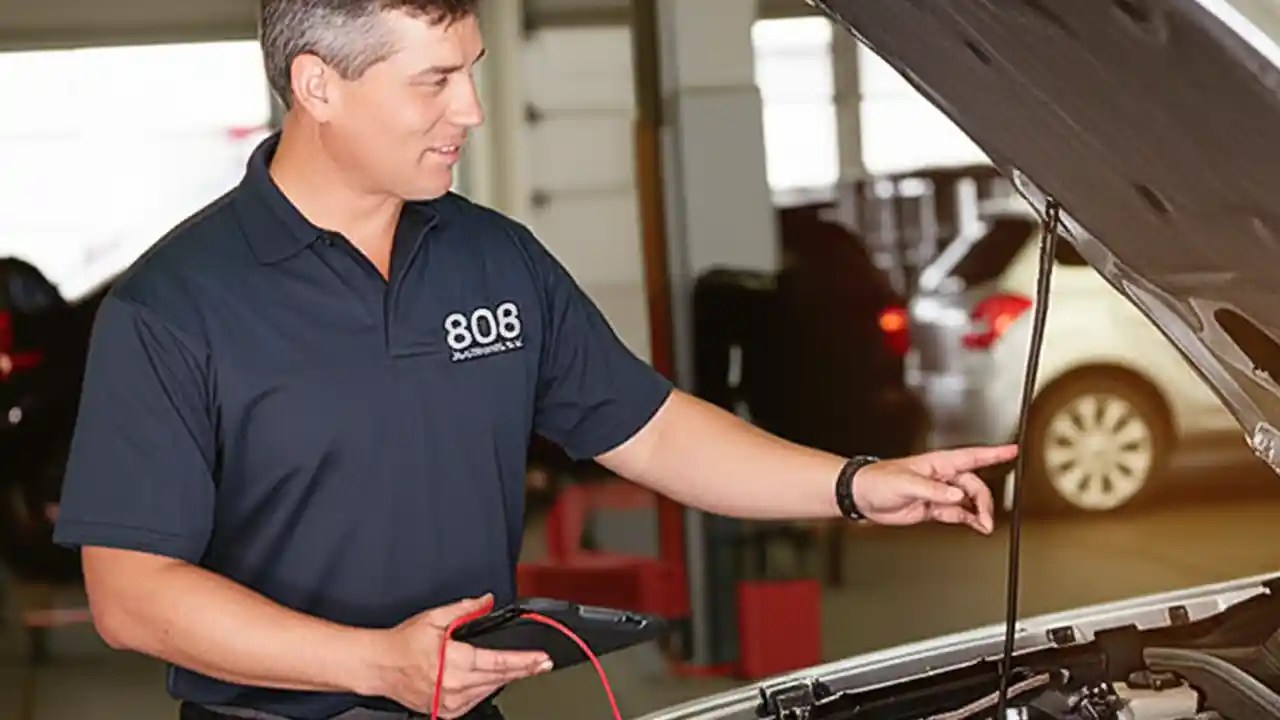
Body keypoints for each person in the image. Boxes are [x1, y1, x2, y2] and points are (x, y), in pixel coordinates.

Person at [50, 2, 1017, 718]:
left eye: (471, 70)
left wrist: (854, 484)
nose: (471, 109)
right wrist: (372, 663)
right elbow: (131, 596)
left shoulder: (492, 257)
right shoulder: (173, 306)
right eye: (434, 80)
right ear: (318, 87)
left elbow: (651, 430)